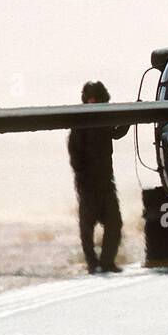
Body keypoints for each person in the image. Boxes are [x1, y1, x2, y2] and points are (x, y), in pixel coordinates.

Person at [68, 80, 129, 273]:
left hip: (105, 181)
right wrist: (82, 178)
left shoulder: (103, 119)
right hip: (88, 183)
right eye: (90, 98)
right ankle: (93, 263)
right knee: (87, 226)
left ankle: (106, 262)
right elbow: (75, 154)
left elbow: (116, 133)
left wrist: (131, 117)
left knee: (114, 223)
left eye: (96, 98)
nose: (93, 101)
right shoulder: (81, 123)